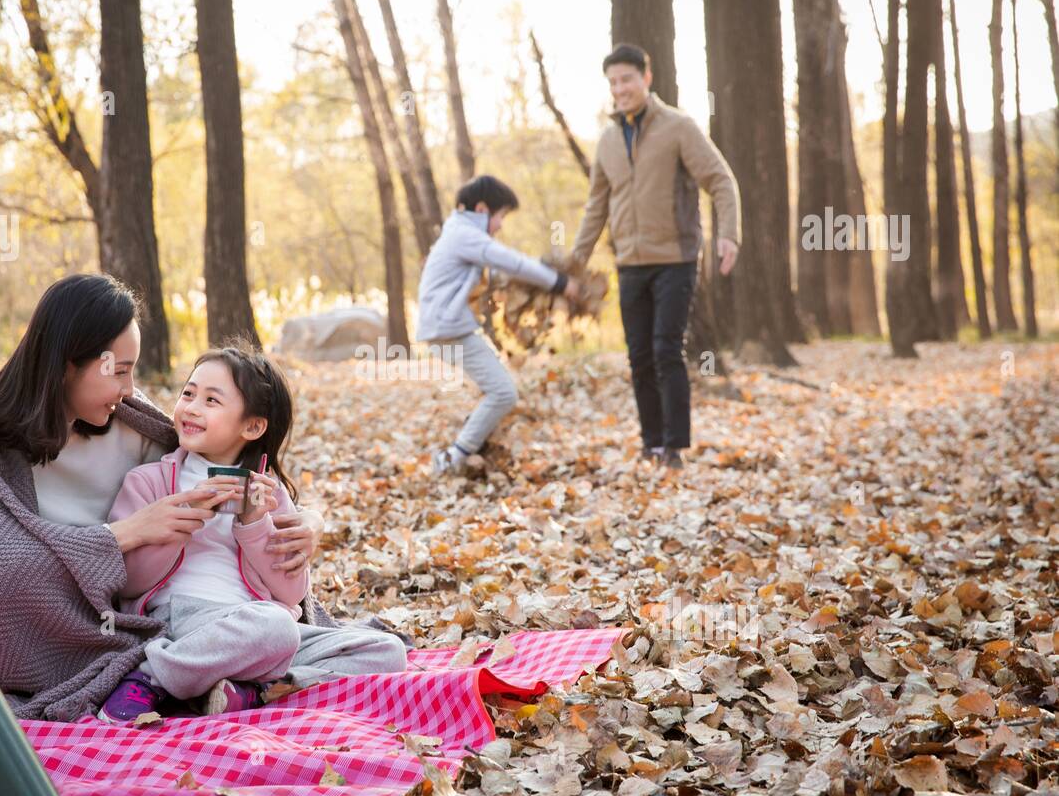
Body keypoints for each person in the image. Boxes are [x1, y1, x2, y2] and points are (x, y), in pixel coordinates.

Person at [0, 274, 390, 723]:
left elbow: (227, 455)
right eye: (122, 371)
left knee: (375, 650)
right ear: (69, 361)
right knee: (268, 629)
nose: (132, 390)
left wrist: (308, 519)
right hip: (111, 632)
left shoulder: (130, 417)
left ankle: (248, 687)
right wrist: (125, 535)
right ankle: (176, 679)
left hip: (232, 622)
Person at [102, 341, 408, 722]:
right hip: (183, 622)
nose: (191, 408)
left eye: (211, 401)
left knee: (387, 651)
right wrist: (180, 524)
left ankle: (255, 692)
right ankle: (150, 677)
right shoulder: (150, 481)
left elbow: (291, 593)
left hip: (259, 629)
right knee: (275, 627)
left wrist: (253, 524)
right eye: (188, 393)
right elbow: (126, 583)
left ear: (252, 426)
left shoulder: (269, 493)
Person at [568, 43, 741, 470]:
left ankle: (675, 447)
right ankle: (651, 443)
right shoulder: (608, 141)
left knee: (666, 349)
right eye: (612, 82)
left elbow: (720, 180)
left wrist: (728, 235)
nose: (620, 89)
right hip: (629, 262)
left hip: (676, 258)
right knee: (639, 355)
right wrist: (576, 261)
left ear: (647, 78)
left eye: (626, 79)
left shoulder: (678, 127)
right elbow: (596, 206)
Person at [417, 175, 582, 476]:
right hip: (448, 328)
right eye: (501, 215)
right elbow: (510, 262)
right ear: (481, 209)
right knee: (503, 392)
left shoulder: (458, 232)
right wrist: (558, 282)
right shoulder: (465, 235)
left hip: (448, 327)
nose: (501, 224)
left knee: (497, 390)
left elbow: (502, 272)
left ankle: (469, 449)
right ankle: (454, 457)